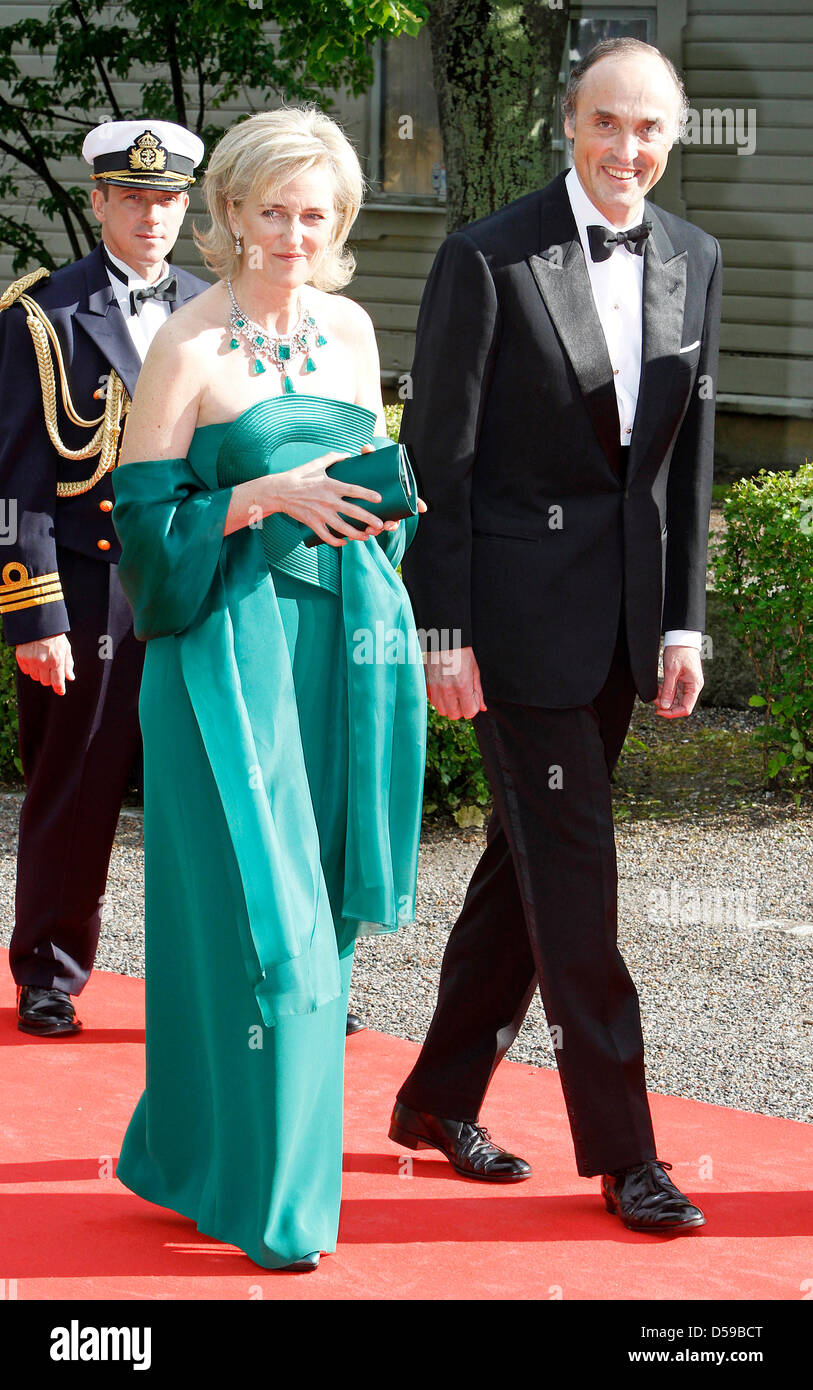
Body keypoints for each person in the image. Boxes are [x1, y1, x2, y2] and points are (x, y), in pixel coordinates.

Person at [390, 39, 721, 1235]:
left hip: (627, 628)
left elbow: (685, 461)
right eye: (607, 124)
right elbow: (444, 462)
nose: (628, 150)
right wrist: (442, 630)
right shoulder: (486, 256)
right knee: (578, 878)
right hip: (521, 628)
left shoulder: (694, 254)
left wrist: (684, 618)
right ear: (567, 125)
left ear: (673, 138)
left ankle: (434, 1097)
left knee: (520, 867)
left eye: (650, 131)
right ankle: (627, 1154)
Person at [111, 107, 427, 1270]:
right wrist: (257, 497)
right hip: (222, 664)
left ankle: (196, 1155)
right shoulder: (185, 349)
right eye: (275, 210)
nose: (296, 233)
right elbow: (142, 544)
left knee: (324, 917)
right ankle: (277, 1208)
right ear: (231, 211)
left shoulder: (349, 328)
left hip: (340, 654)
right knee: (264, 931)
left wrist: (388, 498)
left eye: (319, 213)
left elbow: (356, 481)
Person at [0, 119, 206, 1037]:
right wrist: (33, 612)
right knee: (75, 781)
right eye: (134, 197)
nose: (153, 215)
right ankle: (49, 970)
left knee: (208, 786)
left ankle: (214, 975)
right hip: (90, 592)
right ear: (98, 203)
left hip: (196, 585)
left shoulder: (216, 308)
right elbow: (16, 484)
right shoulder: (40, 317)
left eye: (168, 199)